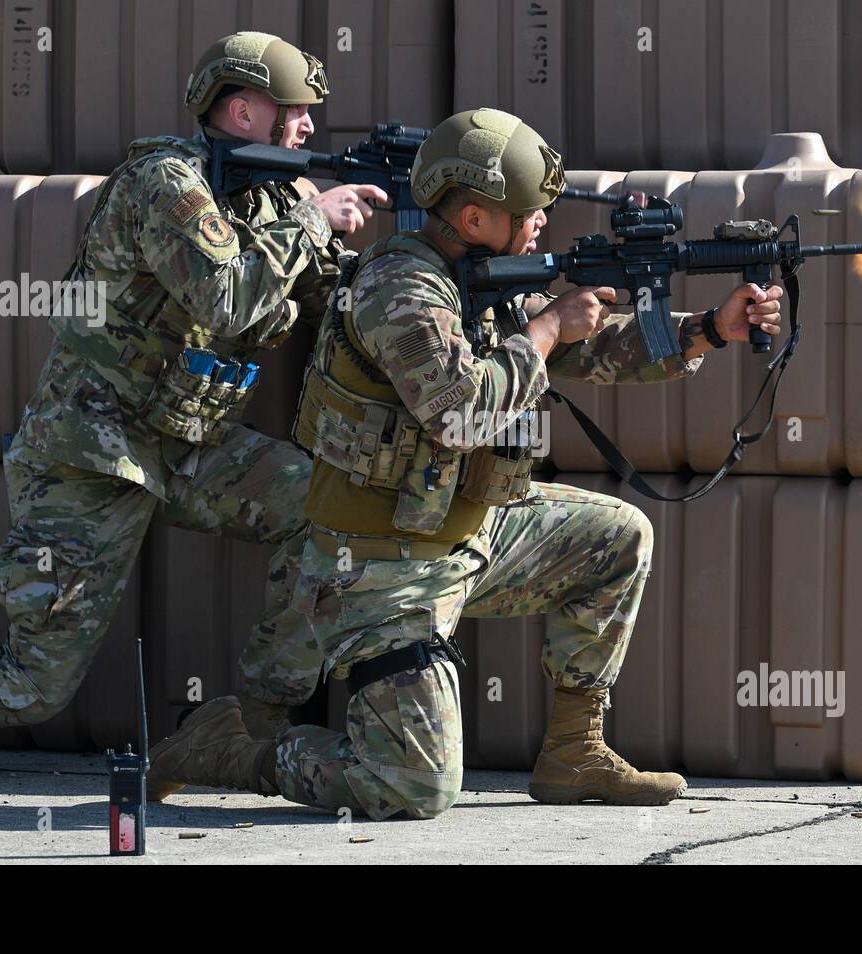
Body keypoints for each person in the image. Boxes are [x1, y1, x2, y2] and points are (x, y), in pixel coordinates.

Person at [146, 108, 785, 819]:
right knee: (411, 788)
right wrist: (543, 332)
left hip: (467, 534)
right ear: (475, 217)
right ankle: (233, 749)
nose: (543, 221)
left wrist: (709, 330)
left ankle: (574, 752)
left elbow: (589, 346)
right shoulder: (401, 289)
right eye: (529, 210)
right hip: (378, 565)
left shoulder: (479, 277)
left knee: (617, 537)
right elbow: (458, 413)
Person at [0, 31, 384, 741]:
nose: (310, 125)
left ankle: (256, 724)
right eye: (297, 109)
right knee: (29, 686)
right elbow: (227, 298)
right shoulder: (166, 182)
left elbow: (334, 308)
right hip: (90, 454)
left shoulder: (265, 200)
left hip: (186, 448)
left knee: (327, 515)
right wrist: (313, 217)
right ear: (246, 112)